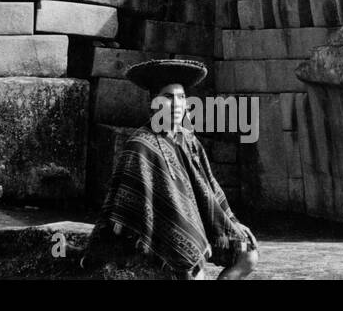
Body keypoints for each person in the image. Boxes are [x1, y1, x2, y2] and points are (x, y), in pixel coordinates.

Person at [82, 58, 258, 280]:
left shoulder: (189, 140)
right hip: (159, 234)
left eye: (182, 97)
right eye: (168, 97)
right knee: (194, 269)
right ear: (154, 102)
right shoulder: (141, 145)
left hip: (197, 225)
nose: (177, 104)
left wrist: (233, 222)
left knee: (248, 256)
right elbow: (126, 204)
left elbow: (209, 188)